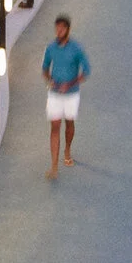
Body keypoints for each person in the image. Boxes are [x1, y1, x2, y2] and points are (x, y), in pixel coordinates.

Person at [42, 15, 89, 178]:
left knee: (69, 123)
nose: (58, 31)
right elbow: (45, 69)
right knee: (55, 127)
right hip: (54, 94)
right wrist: (51, 81)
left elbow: (86, 71)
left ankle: (67, 151)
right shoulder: (50, 48)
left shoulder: (76, 48)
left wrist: (70, 84)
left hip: (71, 95)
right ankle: (54, 166)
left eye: (62, 28)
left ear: (67, 29)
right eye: (57, 28)